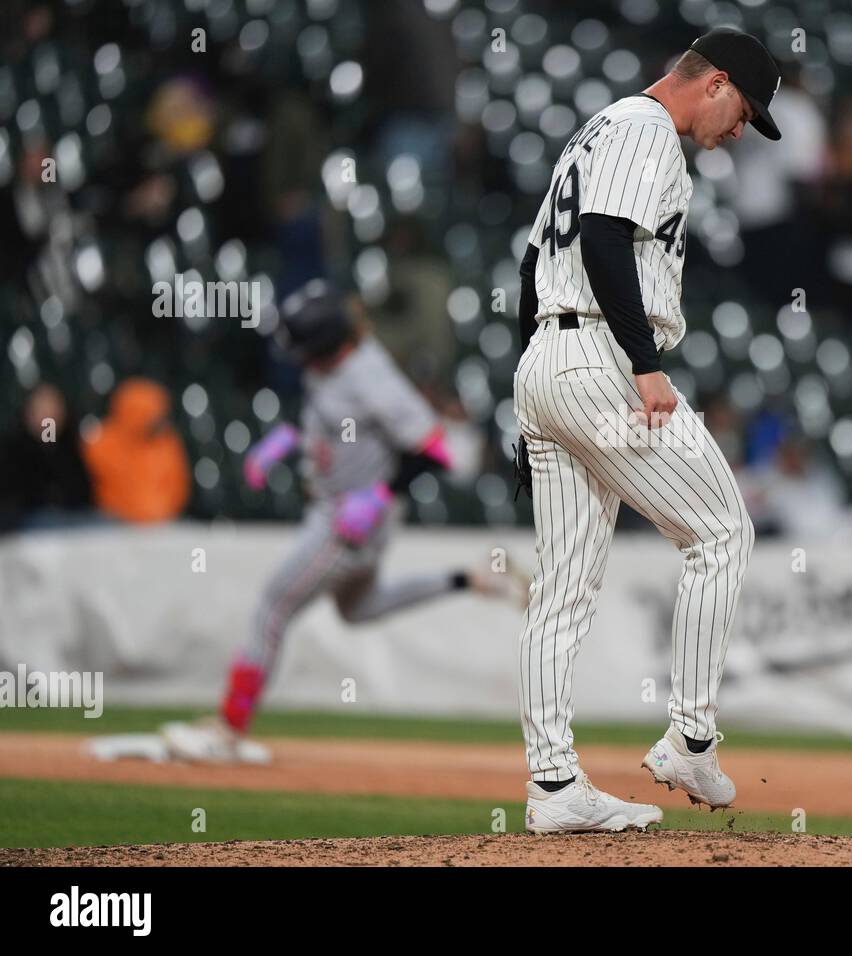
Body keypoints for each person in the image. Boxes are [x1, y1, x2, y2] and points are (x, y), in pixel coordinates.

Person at [512, 27, 777, 833]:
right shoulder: (644, 127)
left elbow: (531, 270)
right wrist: (641, 363)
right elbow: (600, 238)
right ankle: (690, 737)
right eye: (744, 112)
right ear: (716, 82)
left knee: (561, 590)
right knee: (722, 533)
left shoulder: (594, 130)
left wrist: (530, 391)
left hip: (546, 361)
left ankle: (553, 787)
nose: (739, 132)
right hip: (600, 357)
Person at [161, 282, 526, 764]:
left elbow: (436, 449)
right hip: (339, 508)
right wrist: (287, 440)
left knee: (272, 608)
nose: (300, 360)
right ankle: (472, 579)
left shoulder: (370, 378)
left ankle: (228, 730)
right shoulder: (336, 363)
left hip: (347, 521)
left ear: (329, 345)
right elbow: (327, 419)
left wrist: (378, 495)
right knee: (358, 609)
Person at [81, 378, 190, 524]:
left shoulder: (167, 442)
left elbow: (178, 484)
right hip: (112, 524)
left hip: (163, 525)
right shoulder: (101, 442)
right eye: (151, 413)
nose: (157, 420)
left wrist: (164, 510)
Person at [0, 383, 94, 532]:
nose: (48, 415)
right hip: (30, 521)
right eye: (42, 409)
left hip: (70, 517)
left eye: (53, 409)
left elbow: (83, 491)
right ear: (29, 413)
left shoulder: (69, 446)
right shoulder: (13, 448)